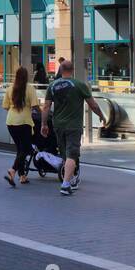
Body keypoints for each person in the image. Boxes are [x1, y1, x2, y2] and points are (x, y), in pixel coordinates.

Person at [41, 60, 105, 196]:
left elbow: (46, 107)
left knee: (65, 154)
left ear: (61, 69)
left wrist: (44, 124)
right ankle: (65, 184)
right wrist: (101, 116)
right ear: (72, 70)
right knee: (72, 154)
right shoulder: (79, 85)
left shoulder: (52, 86)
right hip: (73, 126)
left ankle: (71, 181)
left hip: (58, 125)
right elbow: (93, 105)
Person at [2, 66, 40, 187]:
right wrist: (43, 112)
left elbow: (5, 106)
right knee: (27, 149)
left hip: (11, 122)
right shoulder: (30, 89)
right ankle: (13, 170)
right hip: (24, 122)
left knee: (20, 149)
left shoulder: (9, 89)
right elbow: (35, 106)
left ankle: (22, 176)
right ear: (26, 77)